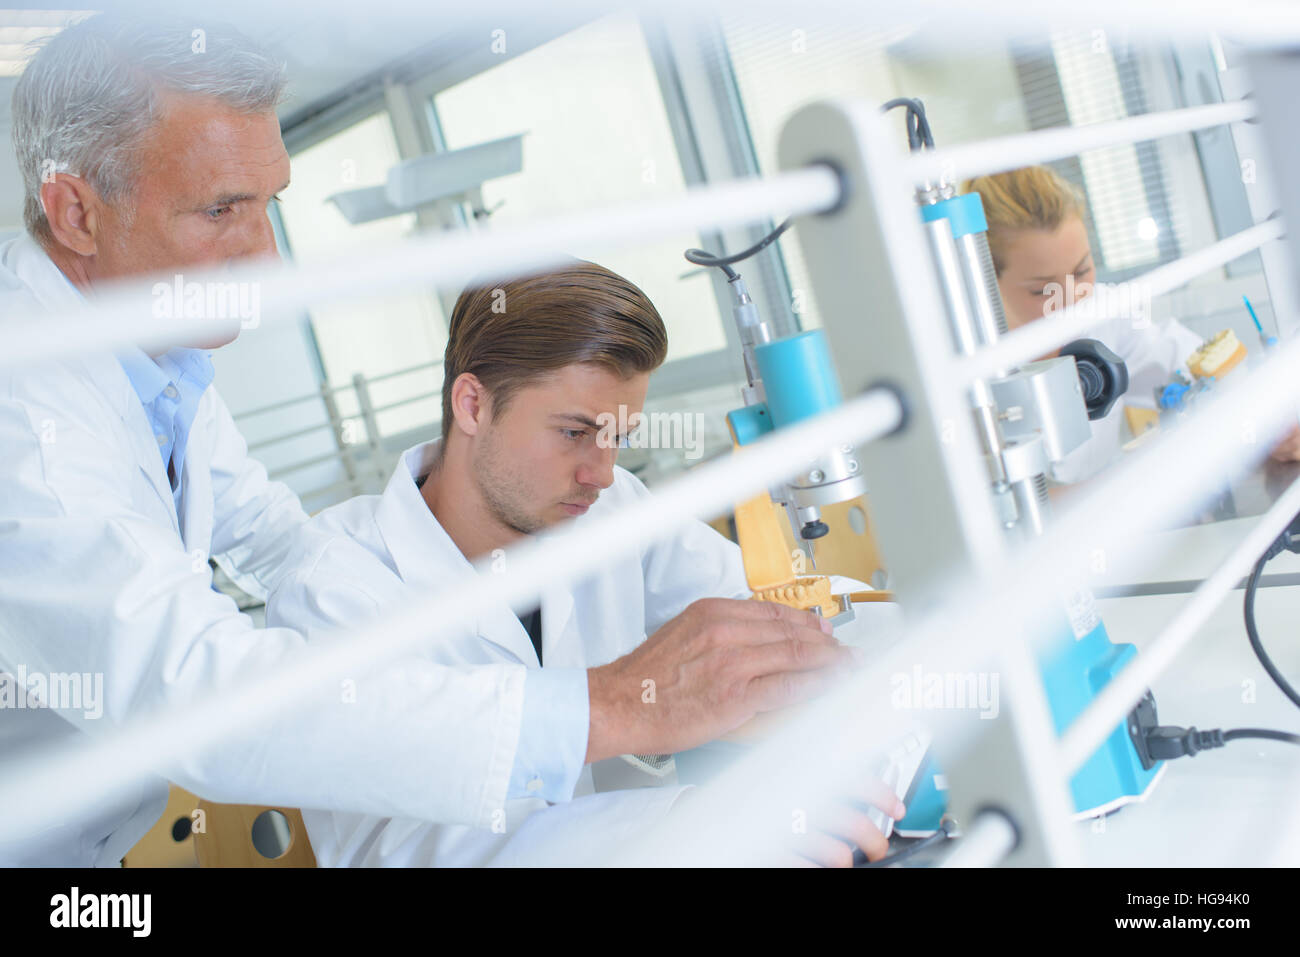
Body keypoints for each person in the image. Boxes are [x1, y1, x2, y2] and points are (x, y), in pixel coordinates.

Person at [0, 14, 858, 866]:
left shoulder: (157, 355)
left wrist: (393, 606)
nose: (264, 258)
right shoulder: (26, 425)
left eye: (270, 205)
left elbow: (267, 532)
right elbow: (198, 697)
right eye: (222, 209)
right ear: (74, 210)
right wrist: (614, 708)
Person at [267, 260, 905, 867]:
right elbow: (396, 854)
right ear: (472, 405)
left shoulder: (610, 509)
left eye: (619, 438)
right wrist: (694, 828)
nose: (601, 473)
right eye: (574, 432)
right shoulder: (333, 589)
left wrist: (891, 661)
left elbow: (769, 618)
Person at [965, 164, 1300, 483]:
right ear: (986, 282)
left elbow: (1186, 367)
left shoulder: (1107, 317)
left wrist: (1268, 422)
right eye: (1041, 289)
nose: (1073, 299)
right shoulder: (964, 367)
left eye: (1082, 271)